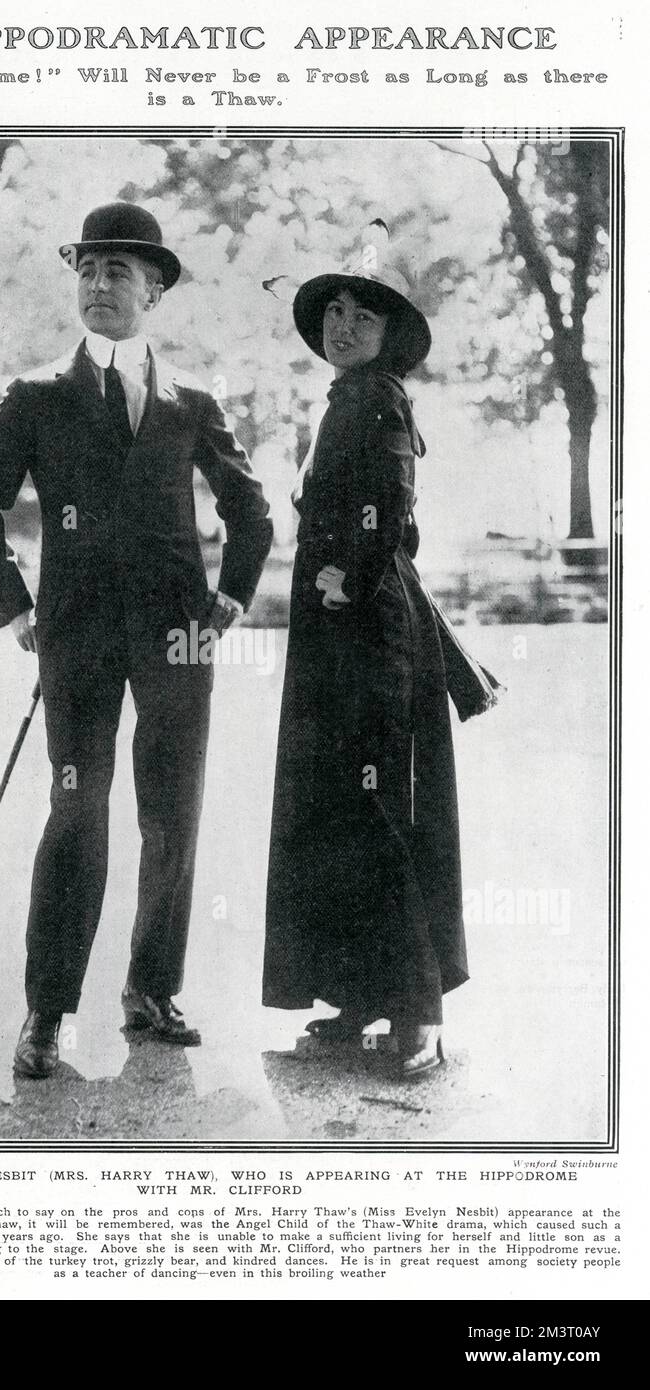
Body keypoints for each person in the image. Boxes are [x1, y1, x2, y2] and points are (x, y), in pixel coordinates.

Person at [0, 202, 273, 1078]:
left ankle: (151, 992)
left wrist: (232, 599)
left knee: (171, 816)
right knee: (75, 810)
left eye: (118, 271)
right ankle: (46, 1014)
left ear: (154, 290)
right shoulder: (36, 396)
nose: (98, 285)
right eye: (88, 269)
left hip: (178, 640)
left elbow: (251, 510)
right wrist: (13, 607)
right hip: (77, 638)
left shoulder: (190, 403)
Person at [261, 259, 468, 1078]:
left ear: (388, 339)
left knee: (384, 810)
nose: (342, 327)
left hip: (372, 631)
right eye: (334, 314)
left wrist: (348, 569)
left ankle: (419, 1016)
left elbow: (392, 501)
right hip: (336, 628)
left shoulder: (377, 397)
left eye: (362, 318)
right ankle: (357, 997)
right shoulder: (344, 398)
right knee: (340, 810)